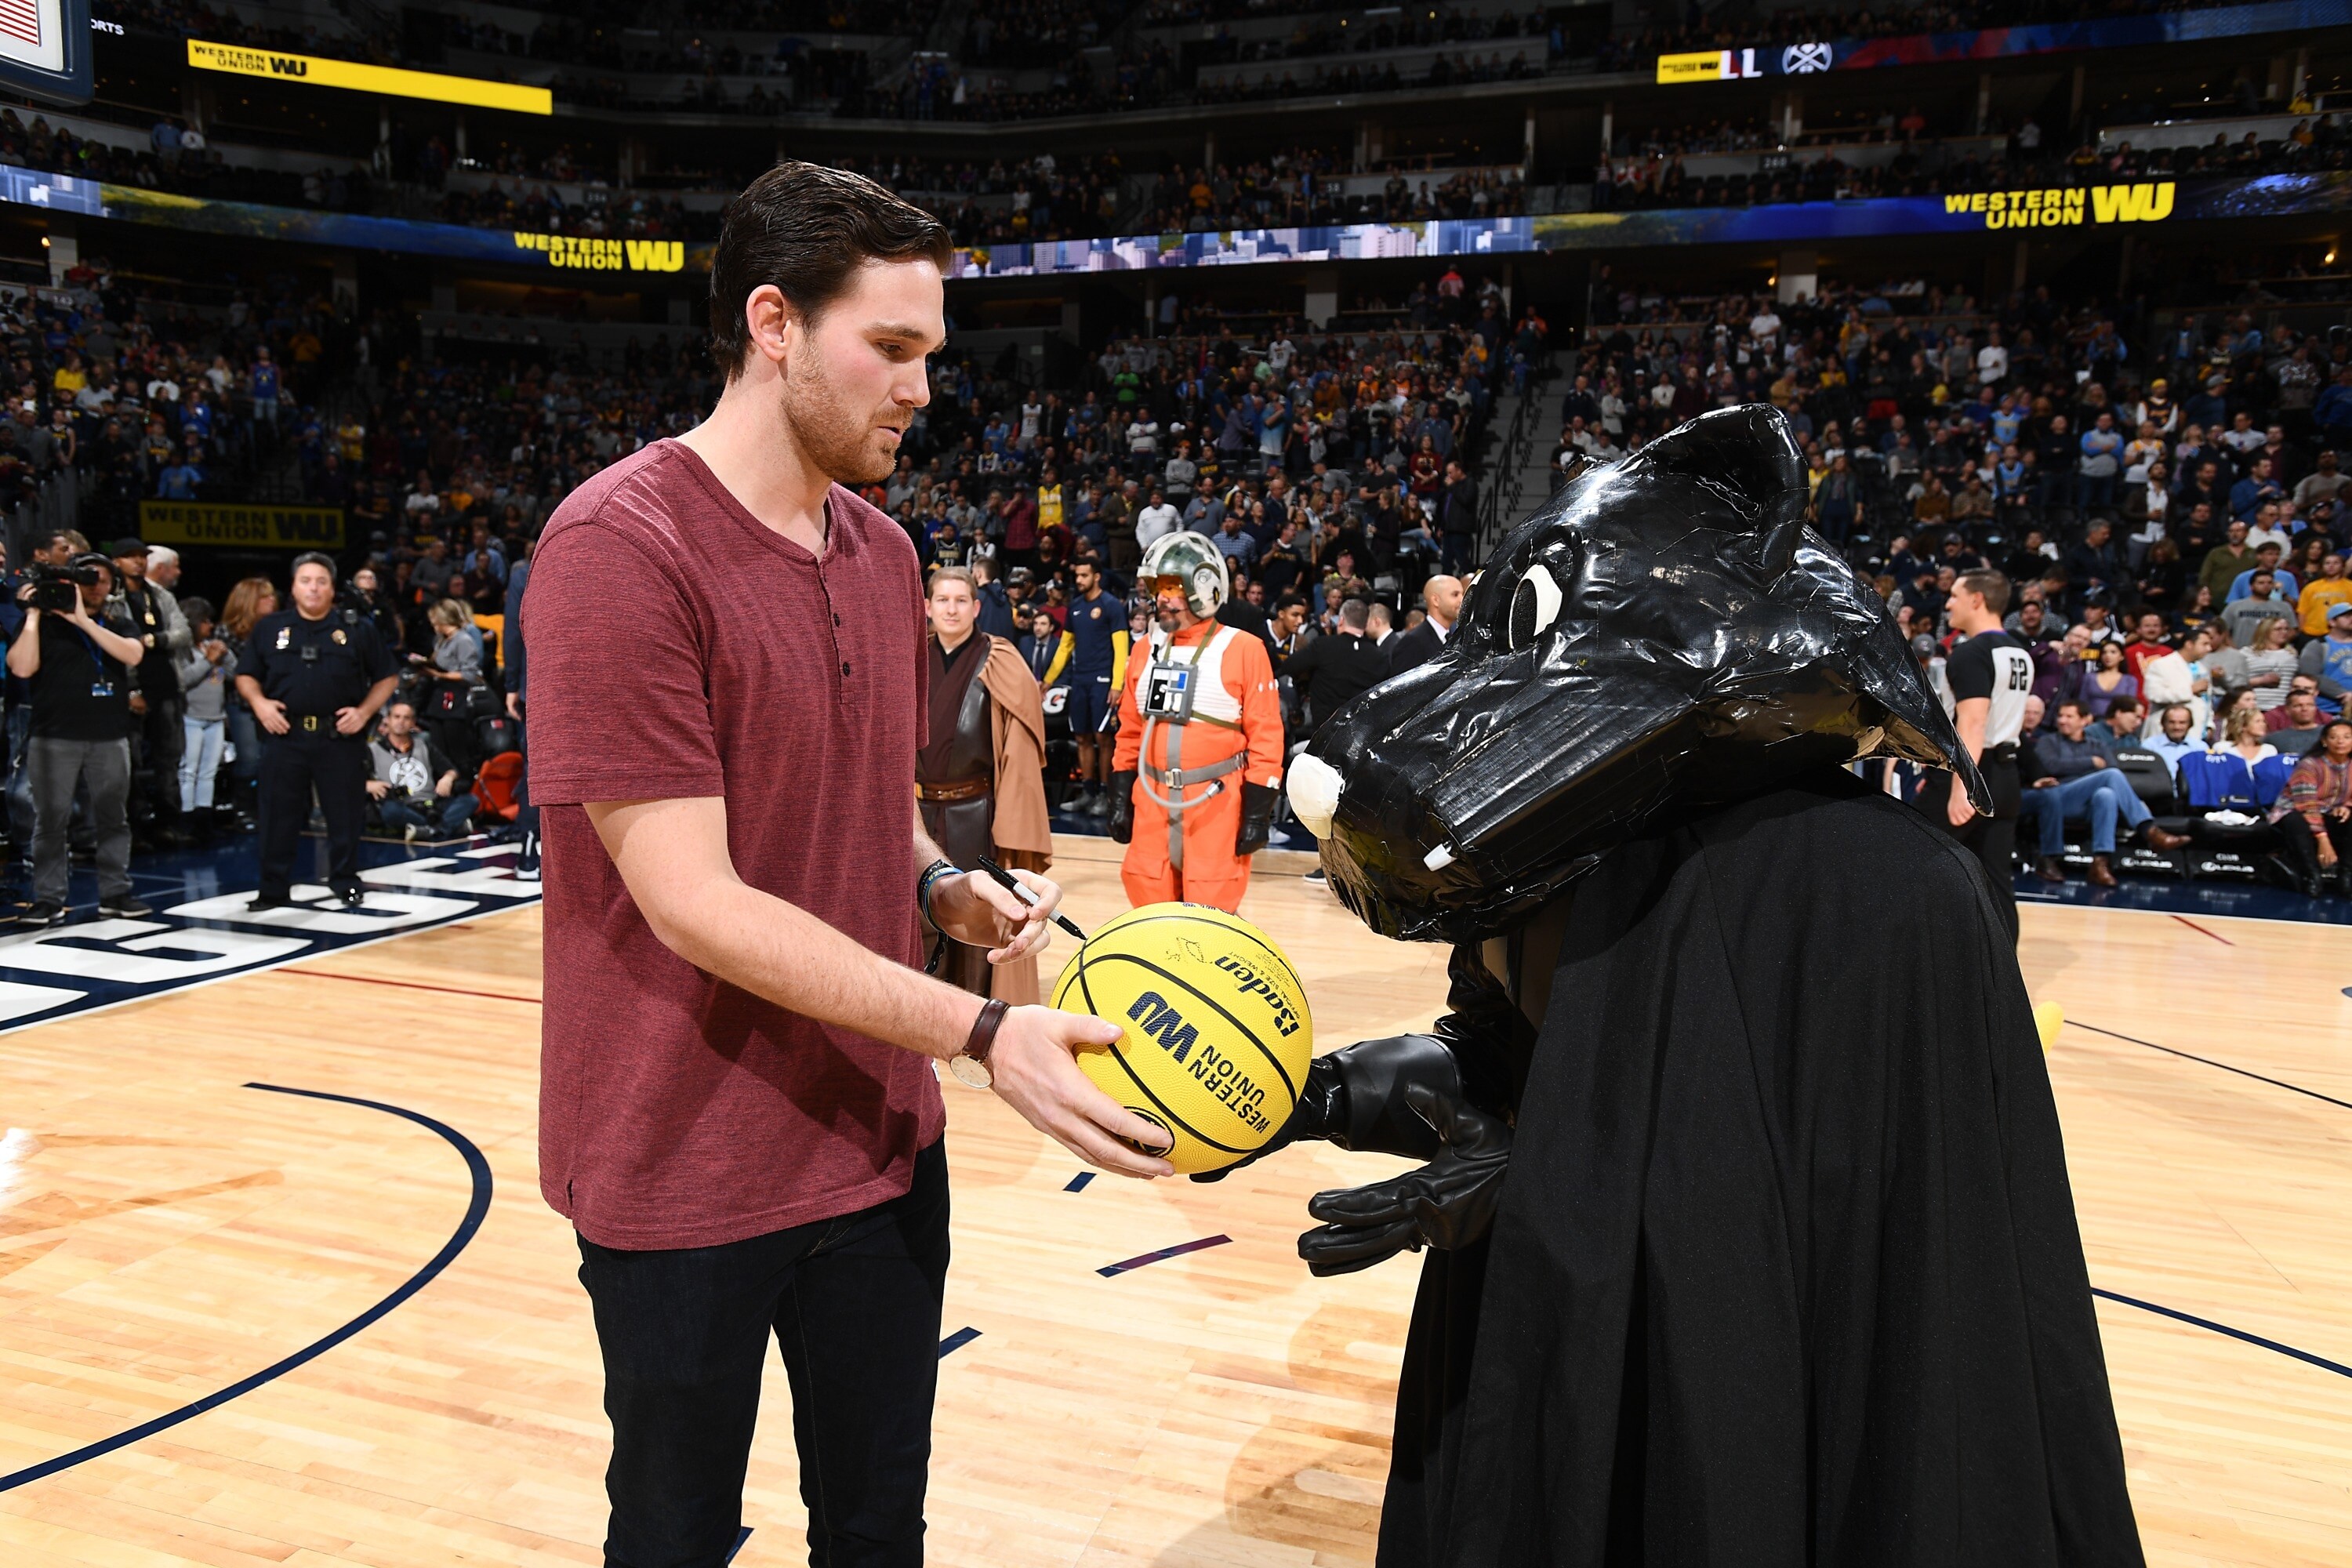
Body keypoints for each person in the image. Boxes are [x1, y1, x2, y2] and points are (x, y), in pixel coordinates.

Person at [521, 163, 1171, 1568]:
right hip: (680, 1162)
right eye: (890, 348)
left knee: (879, 1531)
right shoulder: (617, 550)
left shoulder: (882, 554)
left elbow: (869, 810)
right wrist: (985, 1029)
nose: (921, 389)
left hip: (878, 1149)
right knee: (679, 1536)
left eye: (929, 353)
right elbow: (694, 900)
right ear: (773, 325)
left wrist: (946, 889)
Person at [1109, 528, 1284, 913]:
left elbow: (1266, 737)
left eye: (1172, 587)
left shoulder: (1243, 648)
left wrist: (1257, 814)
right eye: (1158, 588)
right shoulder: (1144, 650)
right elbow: (1130, 730)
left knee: (1211, 911)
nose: (1162, 599)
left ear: (1203, 588)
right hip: (1152, 801)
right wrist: (1120, 797)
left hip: (1215, 805)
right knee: (1148, 906)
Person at [917, 566, 1053, 1003]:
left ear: (977, 607)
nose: (952, 609)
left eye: (961, 600)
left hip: (977, 810)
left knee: (978, 912)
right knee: (919, 912)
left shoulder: (1000, 659)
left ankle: (972, 1009)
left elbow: (1019, 753)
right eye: (943, 600)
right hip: (918, 812)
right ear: (927, 607)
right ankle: (922, 1003)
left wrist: (1013, 823)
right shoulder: (910, 656)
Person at [234, 554, 397, 911]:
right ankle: (273, 890)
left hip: (338, 737)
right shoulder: (269, 628)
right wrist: (259, 703)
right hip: (284, 735)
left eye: (321, 581)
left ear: (332, 588)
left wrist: (365, 711)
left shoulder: (356, 628)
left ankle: (345, 880)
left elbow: (387, 676)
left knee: (345, 814)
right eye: (306, 580)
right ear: (293, 587)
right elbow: (245, 673)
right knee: (278, 816)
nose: (313, 588)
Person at [5, 554, 151, 927]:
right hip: (54, 736)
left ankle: (115, 892)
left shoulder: (118, 622)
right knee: (50, 821)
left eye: (101, 580)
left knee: (113, 818)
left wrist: (85, 623)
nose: (94, 586)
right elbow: (21, 667)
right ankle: (49, 898)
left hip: (109, 735)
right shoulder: (43, 625)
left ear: (112, 586)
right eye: (86, 580)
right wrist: (35, 615)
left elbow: (133, 654)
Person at [1934, 569, 2033, 929]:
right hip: (2007, 774)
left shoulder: (1971, 653)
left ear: (1977, 600)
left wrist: (1964, 786)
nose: (1948, 603)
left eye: (1955, 596)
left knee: (1911, 861)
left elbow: (1973, 723)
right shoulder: (2020, 651)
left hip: (1975, 771)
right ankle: (2002, 981)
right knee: (1996, 881)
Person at [2019, 698, 2188, 885]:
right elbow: (2051, 766)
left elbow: (2112, 768)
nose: (2062, 720)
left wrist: (2083, 770)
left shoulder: (2097, 745)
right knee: (2110, 776)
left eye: (2069, 716)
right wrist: (2090, 763)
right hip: (2058, 797)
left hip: (2085, 804)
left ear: (2085, 720)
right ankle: (2148, 830)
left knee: (2106, 795)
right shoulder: (2048, 741)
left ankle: (2100, 863)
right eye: (2060, 716)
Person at [109, 536, 191, 847]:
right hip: (132, 689)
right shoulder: (112, 600)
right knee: (130, 764)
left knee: (168, 760)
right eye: (130, 556)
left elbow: (183, 633)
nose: (139, 562)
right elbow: (116, 645)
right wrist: (131, 690)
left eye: (142, 556)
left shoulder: (159, 595)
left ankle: (168, 825)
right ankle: (134, 828)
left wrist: (151, 640)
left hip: (167, 686)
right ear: (116, 561)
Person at [1042, 558, 1127, 816]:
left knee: (1103, 739)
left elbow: (1121, 648)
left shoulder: (1111, 606)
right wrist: (1048, 679)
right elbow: (1065, 647)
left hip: (1103, 681)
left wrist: (1117, 684)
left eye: (1084, 575)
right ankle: (1087, 792)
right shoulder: (1076, 606)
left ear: (1097, 577)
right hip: (1080, 680)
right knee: (1081, 738)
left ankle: (1105, 794)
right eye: (1077, 575)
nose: (1078, 580)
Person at [367, 698, 475, 840]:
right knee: (389, 811)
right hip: (402, 806)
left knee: (470, 800)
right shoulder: (373, 749)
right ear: (388, 720)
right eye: (397, 717)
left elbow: (451, 770)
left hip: (432, 803)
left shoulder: (423, 745)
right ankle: (447, 826)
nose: (401, 722)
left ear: (413, 722)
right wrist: (368, 784)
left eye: (406, 718)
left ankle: (429, 830)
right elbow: (352, 779)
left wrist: (448, 778)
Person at [2271, 719, 2352, 895]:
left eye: (2347, 737)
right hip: (2295, 811)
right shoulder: (2310, 765)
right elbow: (2307, 805)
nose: (2340, 741)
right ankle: (2311, 875)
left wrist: (2347, 807)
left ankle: (2346, 876)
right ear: (2324, 741)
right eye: (2334, 737)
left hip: (2328, 812)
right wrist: (2323, 840)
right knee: (2295, 821)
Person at [174, 595, 232, 839]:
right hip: (191, 717)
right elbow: (183, 680)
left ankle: (204, 818)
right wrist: (208, 661)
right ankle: (186, 818)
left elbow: (235, 673)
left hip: (216, 717)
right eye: (206, 621)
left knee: (210, 771)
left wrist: (224, 655)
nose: (210, 626)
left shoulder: (210, 647)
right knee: (189, 770)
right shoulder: (182, 651)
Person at [1386, 575, 1462, 675]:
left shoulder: (1455, 639)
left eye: (1463, 594)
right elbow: (1401, 687)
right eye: (1455, 595)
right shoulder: (1412, 643)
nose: (1462, 600)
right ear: (1436, 600)